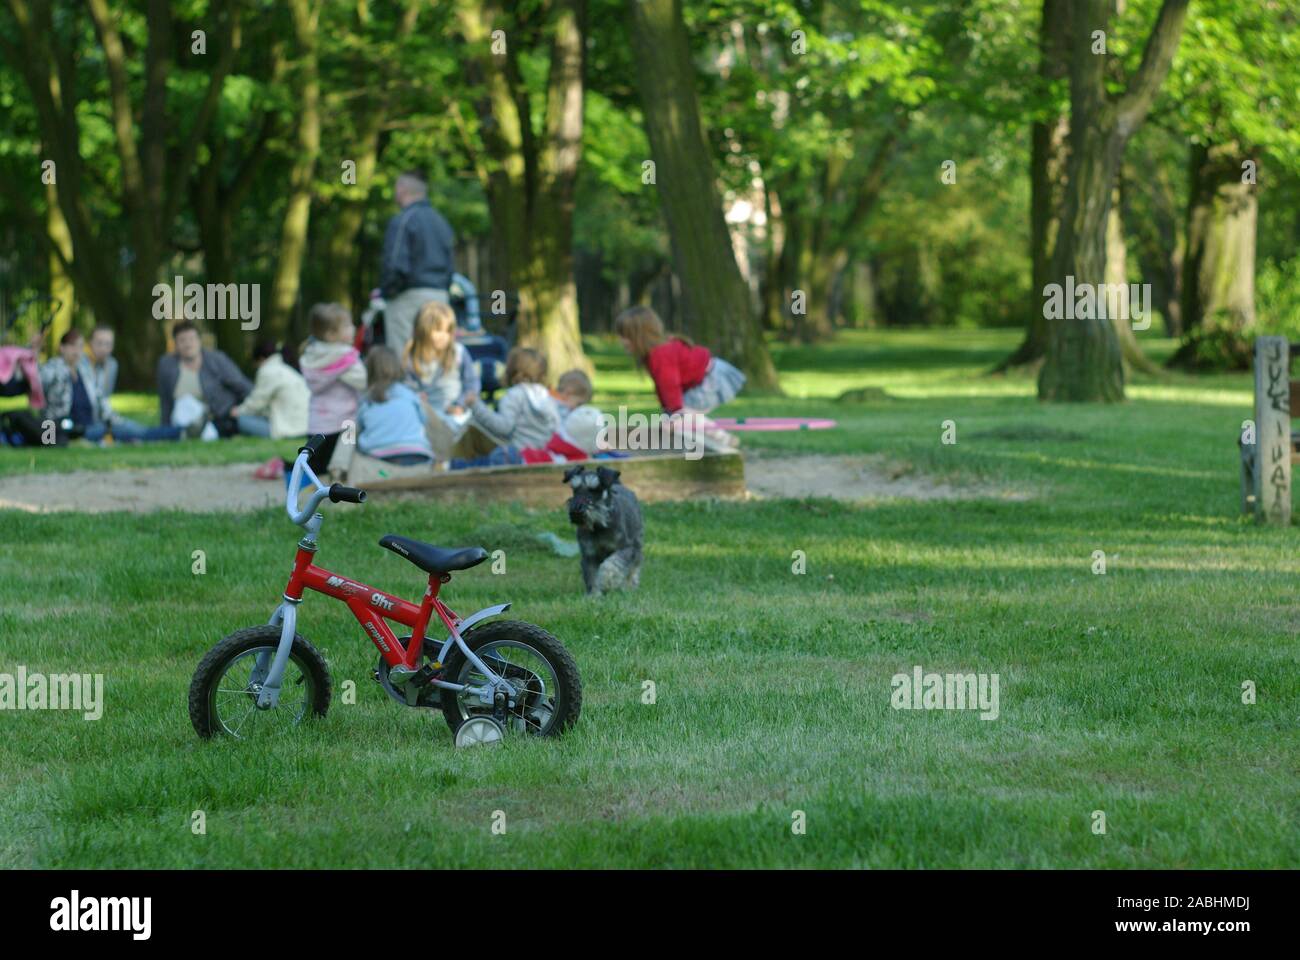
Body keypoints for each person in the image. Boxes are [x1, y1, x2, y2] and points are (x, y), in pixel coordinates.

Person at [42, 330, 181, 443]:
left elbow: (100, 400)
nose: (76, 351)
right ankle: (174, 433)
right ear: (62, 348)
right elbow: (37, 380)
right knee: (121, 432)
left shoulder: (84, 372)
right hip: (69, 429)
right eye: (72, 346)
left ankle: (174, 432)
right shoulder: (53, 368)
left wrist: (113, 420)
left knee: (136, 430)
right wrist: (33, 351)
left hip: (95, 425)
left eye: (79, 347)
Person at [614, 305, 746, 414]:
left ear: (640, 336)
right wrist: (667, 411)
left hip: (712, 380)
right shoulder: (655, 353)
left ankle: (721, 438)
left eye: (624, 336)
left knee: (685, 414)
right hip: (710, 376)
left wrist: (675, 412)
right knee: (678, 416)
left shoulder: (660, 355)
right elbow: (662, 386)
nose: (621, 341)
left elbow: (670, 384)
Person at [380, 170, 456, 354]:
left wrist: (387, 293)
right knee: (435, 356)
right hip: (440, 297)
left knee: (402, 355)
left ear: (402, 189)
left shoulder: (404, 220)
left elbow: (395, 264)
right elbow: (451, 263)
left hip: (407, 298)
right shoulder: (441, 221)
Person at [300, 303, 367, 475]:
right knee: (345, 460)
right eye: (347, 325)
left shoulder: (311, 355)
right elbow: (364, 381)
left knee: (315, 466)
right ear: (331, 334)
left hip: (318, 422)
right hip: (347, 420)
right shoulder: (346, 357)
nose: (353, 328)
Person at [456, 347, 558, 459]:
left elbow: (504, 428)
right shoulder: (545, 395)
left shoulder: (515, 394)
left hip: (516, 455)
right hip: (542, 454)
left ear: (512, 370)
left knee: (470, 432)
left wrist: (476, 405)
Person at [157, 320, 252, 437]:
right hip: (182, 417)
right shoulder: (167, 365)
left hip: (217, 418)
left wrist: (244, 409)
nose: (188, 344)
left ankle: (190, 432)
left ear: (199, 341)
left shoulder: (216, 360)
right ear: (175, 344)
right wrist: (164, 428)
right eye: (182, 340)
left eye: (192, 339)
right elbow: (165, 401)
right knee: (183, 403)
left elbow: (242, 385)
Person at [356, 346, 435, 466]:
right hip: (417, 452)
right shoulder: (409, 394)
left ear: (369, 370)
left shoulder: (366, 399)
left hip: (379, 455)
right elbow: (424, 420)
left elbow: (353, 425)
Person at [404, 301, 479, 413]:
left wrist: (460, 404)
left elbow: (472, 383)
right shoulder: (412, 358)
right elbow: (407, 387)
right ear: (423, 330)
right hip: (427, 416)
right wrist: (416, 397)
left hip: (457, 414)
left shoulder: (458, 352)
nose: (444, 336)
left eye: (448, 331)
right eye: (438, 330)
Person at [230, 340, 310, 439]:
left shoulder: (268, 371)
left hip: (289, 429)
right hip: (305, 426)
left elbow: (256, 403)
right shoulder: (286, 369)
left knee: (240, 420)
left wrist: (238, 411)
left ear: (260, 359)